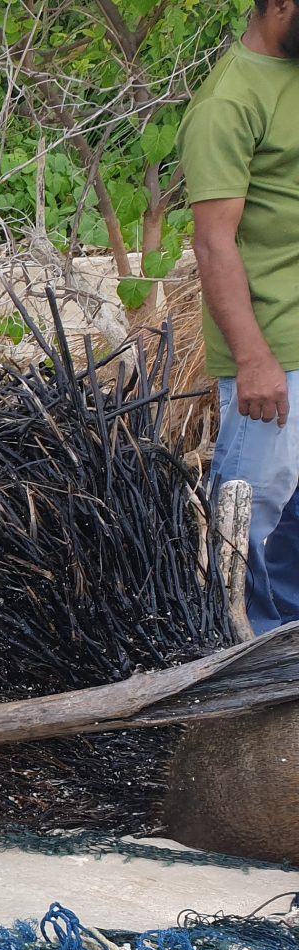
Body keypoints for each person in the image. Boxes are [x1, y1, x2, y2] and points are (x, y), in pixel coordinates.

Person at [183, 0, 299, 633]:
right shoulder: (227, 102)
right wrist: (254, 359)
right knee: (252, 523)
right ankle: (249, 671)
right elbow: (213, 244)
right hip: (276, 355)